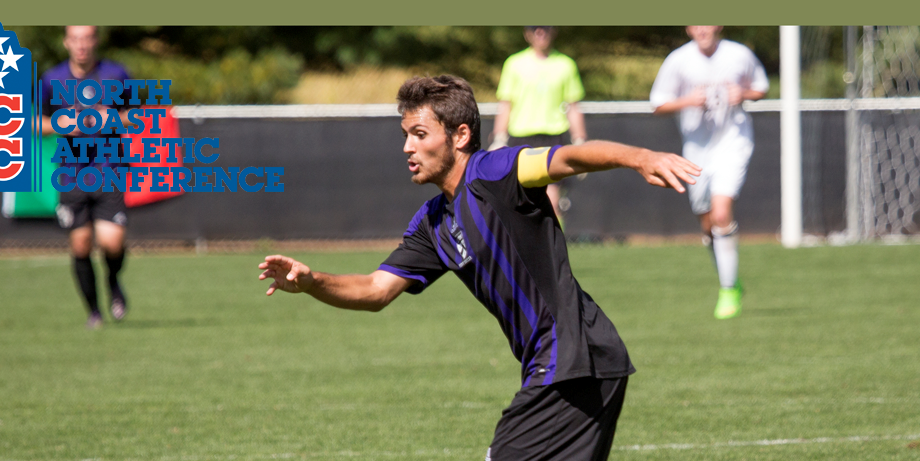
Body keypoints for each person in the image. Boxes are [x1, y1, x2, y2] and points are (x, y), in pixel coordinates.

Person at [259, 75, 699, 460]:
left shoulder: (496, 171)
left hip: (571, 359)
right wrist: (313, 281)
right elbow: (376, 290)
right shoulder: (433, 222)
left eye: (419, 134)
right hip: (574, 363)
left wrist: (640, 157)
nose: (407, 147)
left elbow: (570, 157)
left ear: (460, 135)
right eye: (405, 135)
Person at [649, 26, 768, 320]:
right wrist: (689, 100)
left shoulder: (739, 54)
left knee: (721, 214)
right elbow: (658, 103)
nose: (702, 28)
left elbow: (761, 87)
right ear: (689, 28)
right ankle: (731, 280)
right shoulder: (678, 60)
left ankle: (728, 290)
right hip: (697, 149)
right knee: (707, 224)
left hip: (733, 143)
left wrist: (744, 93)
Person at [41, 26, 135, 329]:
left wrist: (111, 118)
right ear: (66, 42)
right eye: (75, 39)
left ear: (96, 41)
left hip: (109, 169)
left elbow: (136, 114)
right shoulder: (51, 79)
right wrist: (62, 123)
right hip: (71, 174)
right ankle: (94, 312)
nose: (81, 45)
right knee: (81, 244)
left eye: (87, 38)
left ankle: (113, 280)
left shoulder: (116, 75)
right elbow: (35, 122)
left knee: (112, 241)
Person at [491, 26, 587, 225]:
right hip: (521, 138)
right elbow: (506, 104)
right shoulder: (514, 64)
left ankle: (553, 243)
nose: (540, 33)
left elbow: (573, 106)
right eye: (535, 28)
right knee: (519, 199)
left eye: (545, 28)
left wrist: (580, 142)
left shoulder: (565, 65)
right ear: (527, 33)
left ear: (554, 31)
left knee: (552, 200)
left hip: (553, 136)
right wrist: (499, 138)